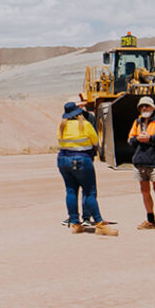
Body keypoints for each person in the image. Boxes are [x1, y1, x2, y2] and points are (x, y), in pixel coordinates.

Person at [57, 101, 117, 236]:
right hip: (82, 160)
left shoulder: (61, 126)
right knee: (90, 192)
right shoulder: (85, 125)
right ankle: (99, 223)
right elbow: (96, 141)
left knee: (71, 191)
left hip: (63, 160)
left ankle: (75, 223)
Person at [128, 96, 155, 232]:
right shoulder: (137, 122)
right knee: (144, 191)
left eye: (146, 106)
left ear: (153, 107)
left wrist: (151, 138)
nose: (144, 108)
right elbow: (130, 140)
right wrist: (138, 139)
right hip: (141, 162)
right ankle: (150, 219)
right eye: (141, 106)